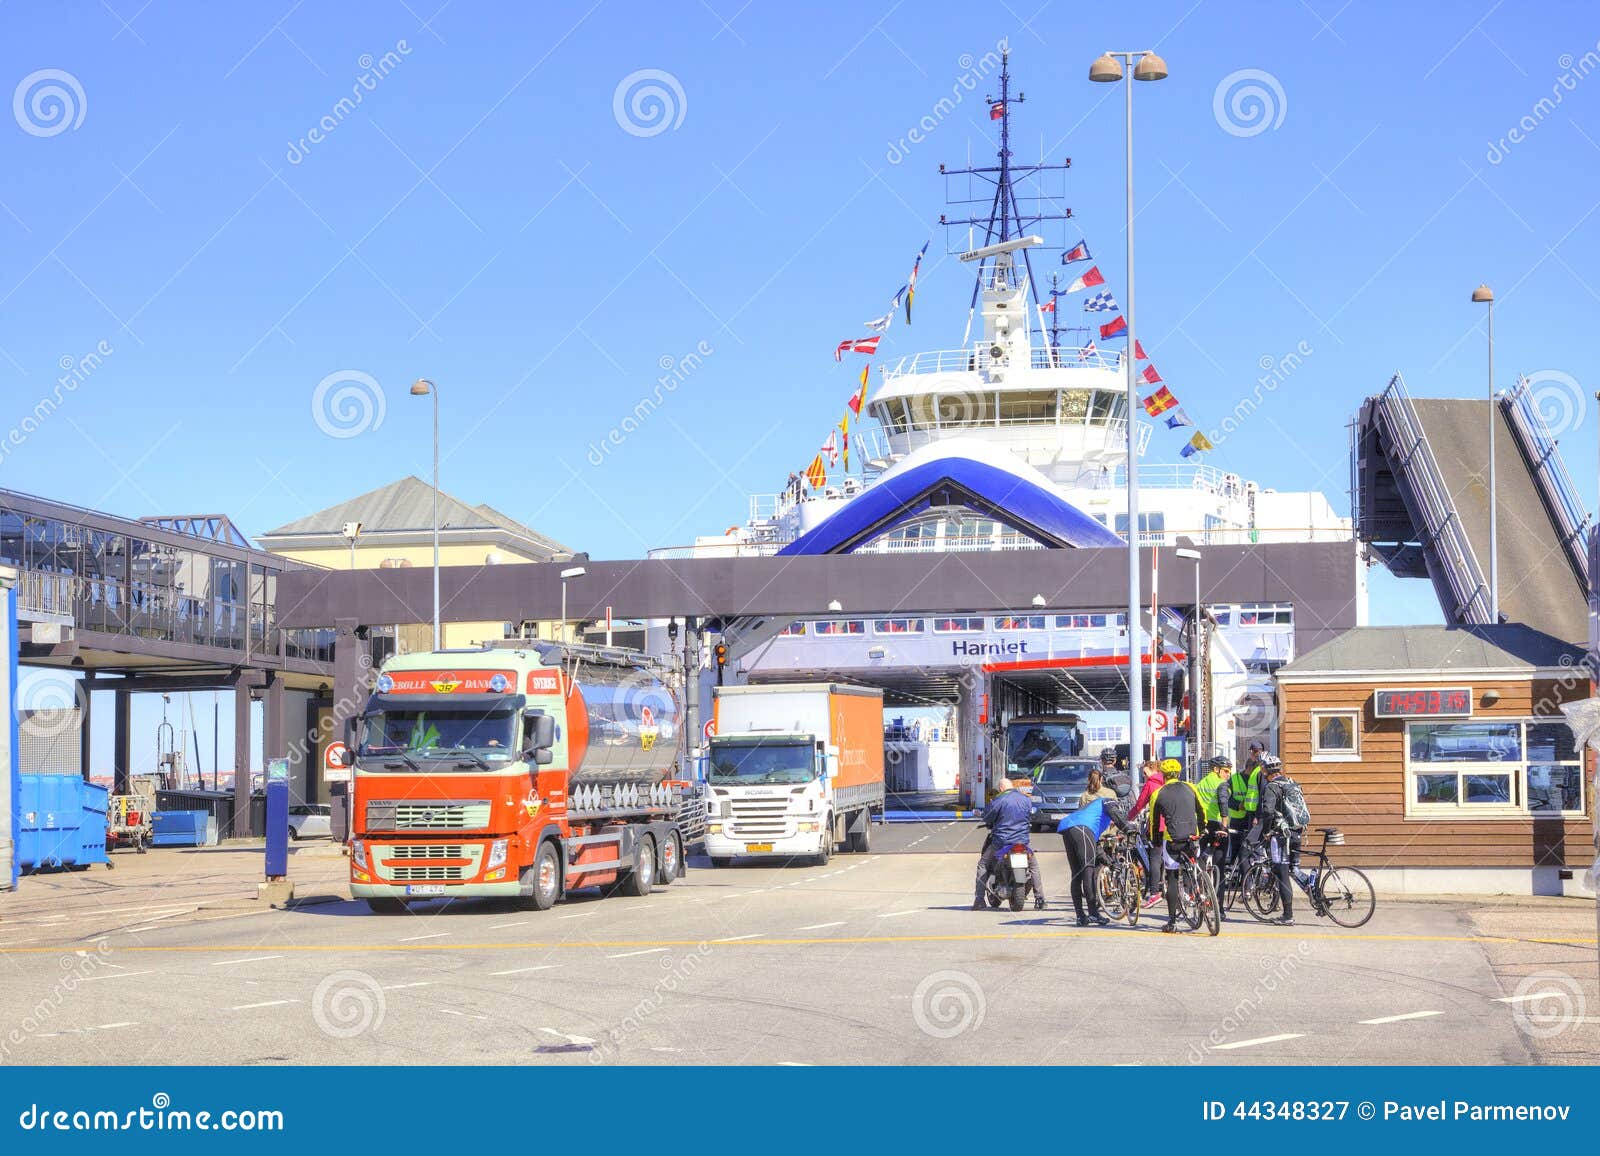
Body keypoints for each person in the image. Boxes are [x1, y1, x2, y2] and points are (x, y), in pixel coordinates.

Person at [1146, 769, 1208, 933]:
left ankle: (1172, 922)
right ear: (1179, 774)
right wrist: (1202, 829)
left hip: (1172, 840)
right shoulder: (1191, 787)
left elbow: (1154, 822)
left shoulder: (1158, 793)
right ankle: (1200, 891)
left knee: (1172, 877)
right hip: (1192, 837)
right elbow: (1201, 810)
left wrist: (1155, 840)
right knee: (1194, 865)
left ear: (1163, 775)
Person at [1246, 755, 1304, 926]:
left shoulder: (1272, 787)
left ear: (1266, 771)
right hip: (1296, 833)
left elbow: (1268, 812)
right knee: (1294, 869)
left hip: (1281, 837)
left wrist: (1266, 832)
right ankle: (1314, 892)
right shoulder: (1292, 783)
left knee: (1282, 874)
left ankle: (1288, 915)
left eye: (1263, 769)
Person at [973, 777, 1047, 911]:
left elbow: (988, 817)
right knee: (1034, 866)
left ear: (1001, 788)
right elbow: (1030, 816)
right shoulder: (1025, 800)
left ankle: (979, 899)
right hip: (1022, 842)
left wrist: (982, 814)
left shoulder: (998, 800)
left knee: (983, 864)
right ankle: (1040, 899)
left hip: (1001, 842)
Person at [1058, 798, 1113, 926]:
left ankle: (1080, 916)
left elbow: (1095, 845)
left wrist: (1108, 861)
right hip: (1082, 828)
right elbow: (1119, 817)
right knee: (1089, 872)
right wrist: (1128, 828)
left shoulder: (1093, 813)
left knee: (1076, 874)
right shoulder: (1109, 804)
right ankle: (1093, 913)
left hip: (1067, 827)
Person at [1222, 750, 1263, 867]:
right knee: (1236, 849)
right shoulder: (1234, 779)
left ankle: (1247, 873)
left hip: (1251, 818)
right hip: (1237, 820)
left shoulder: (1257, 778)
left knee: (1249, 850)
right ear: (1249, 768)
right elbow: (1226, 798)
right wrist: (1238, 805)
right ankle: (1233, 872)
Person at [1194, 755, 1231, 881]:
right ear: (1216, 769)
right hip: (1218, 825)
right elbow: (1223, 803)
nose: (1228, 774)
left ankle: (1200, 886)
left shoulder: (1201, 783)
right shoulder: (1222, 784)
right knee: (1219, 864)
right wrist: (1224, 825)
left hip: (1202, 825)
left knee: (1199, 857)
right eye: (1225, 771)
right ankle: (1218, 892)